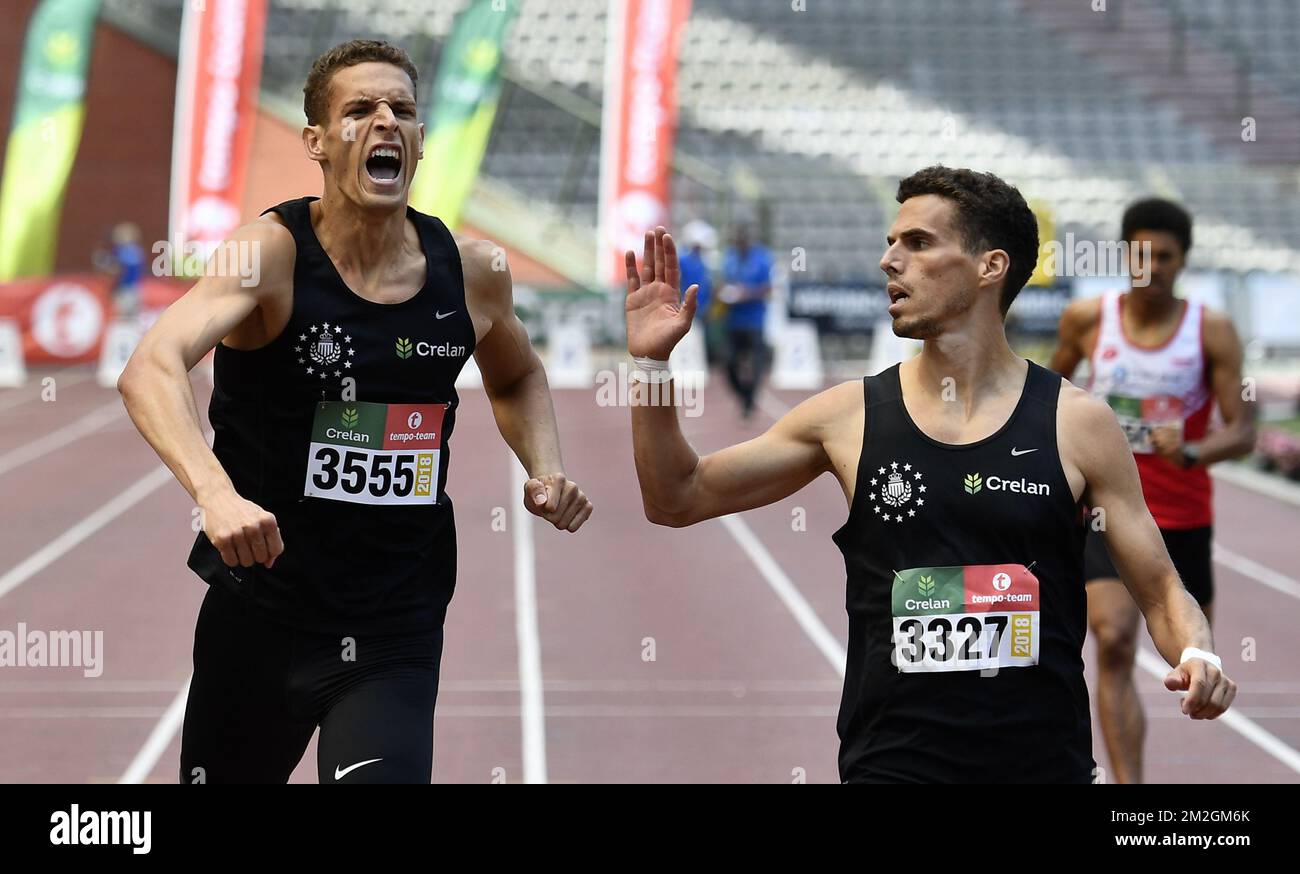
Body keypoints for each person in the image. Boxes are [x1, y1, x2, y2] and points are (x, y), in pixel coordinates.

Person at [622, 167, 1235, 783]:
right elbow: (677, 495)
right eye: (891, 243)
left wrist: (1196, 651)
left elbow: (1159, 589)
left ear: (990, 266)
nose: (890, 261)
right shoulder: (848, 417)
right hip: (893, 769)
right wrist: (649, 367)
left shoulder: (1077, 425)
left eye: (917, 243)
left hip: (1044, 769)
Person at [118, 39, 592, 784]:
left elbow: (518, 375)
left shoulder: (472, 274)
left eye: (402, 110)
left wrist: (546, 468)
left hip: (393, 622)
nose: (385, 122)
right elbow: (150, 365)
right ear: (315, 141)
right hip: (262, 615)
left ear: (421, 140)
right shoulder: (268, 256)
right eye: (359, 110)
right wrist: (215, 493)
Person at [1049, 198, 1255, 783]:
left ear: (1183, 261)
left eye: (1165, 256)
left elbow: (1243, 430)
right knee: (1111, 640)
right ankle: (1129, 792)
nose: (1152, 267)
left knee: (1192, 663)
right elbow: (1044, 393)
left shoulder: (1211, 330)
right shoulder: (1086, 320)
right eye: (1141, 254)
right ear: (1124, 255)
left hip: (1183, 517)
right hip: (1105, 514)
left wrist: (1192, 451)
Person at [717, 225, 773, 419]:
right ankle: (742, 394)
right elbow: (722, 282)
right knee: (729, 362)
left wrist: (746, 293)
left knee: (756, 362)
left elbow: (767, 288)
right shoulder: (729, 258)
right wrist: (725, 292)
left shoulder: (762, 258)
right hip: (733, 320)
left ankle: (750, 399)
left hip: (754, 320)